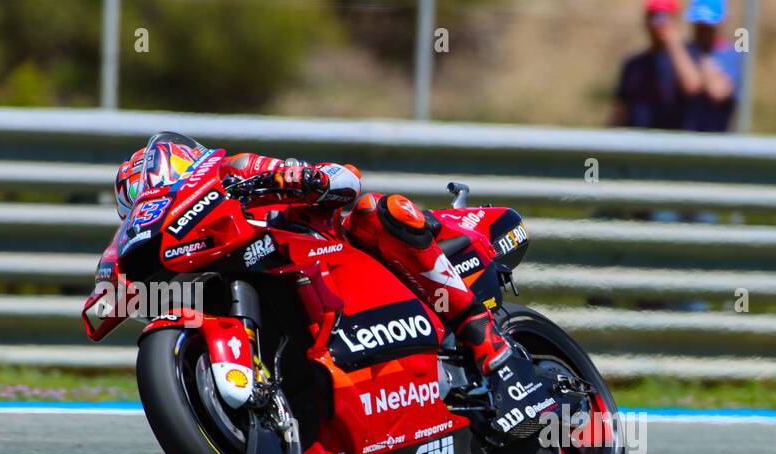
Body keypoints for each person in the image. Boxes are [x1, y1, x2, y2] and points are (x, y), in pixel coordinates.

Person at [112, 137, 551, 438]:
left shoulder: (237, 172)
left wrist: (303, 180)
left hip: (339, 250)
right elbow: (106, 299)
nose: (148, 205)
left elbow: (344, 178)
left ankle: (491, 348)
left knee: (379, 212)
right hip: (306, 297)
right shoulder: (177, 249)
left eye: (151, 192)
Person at [611, 0, 701, 129]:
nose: (658, 23)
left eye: (664, 16)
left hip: (676, 140)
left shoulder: (691, 54)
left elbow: (692, 86)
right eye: (653, 16)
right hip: (639, 141)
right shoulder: (634, 64)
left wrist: (671, 40)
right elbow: (621, 108)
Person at [681, 0, 742, 133]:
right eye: (699, 24)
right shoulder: (684, 52)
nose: (702, 30)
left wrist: (703, 62)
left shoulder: (731, 55)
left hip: (717, 139)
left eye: (707, 26)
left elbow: (718, 92)